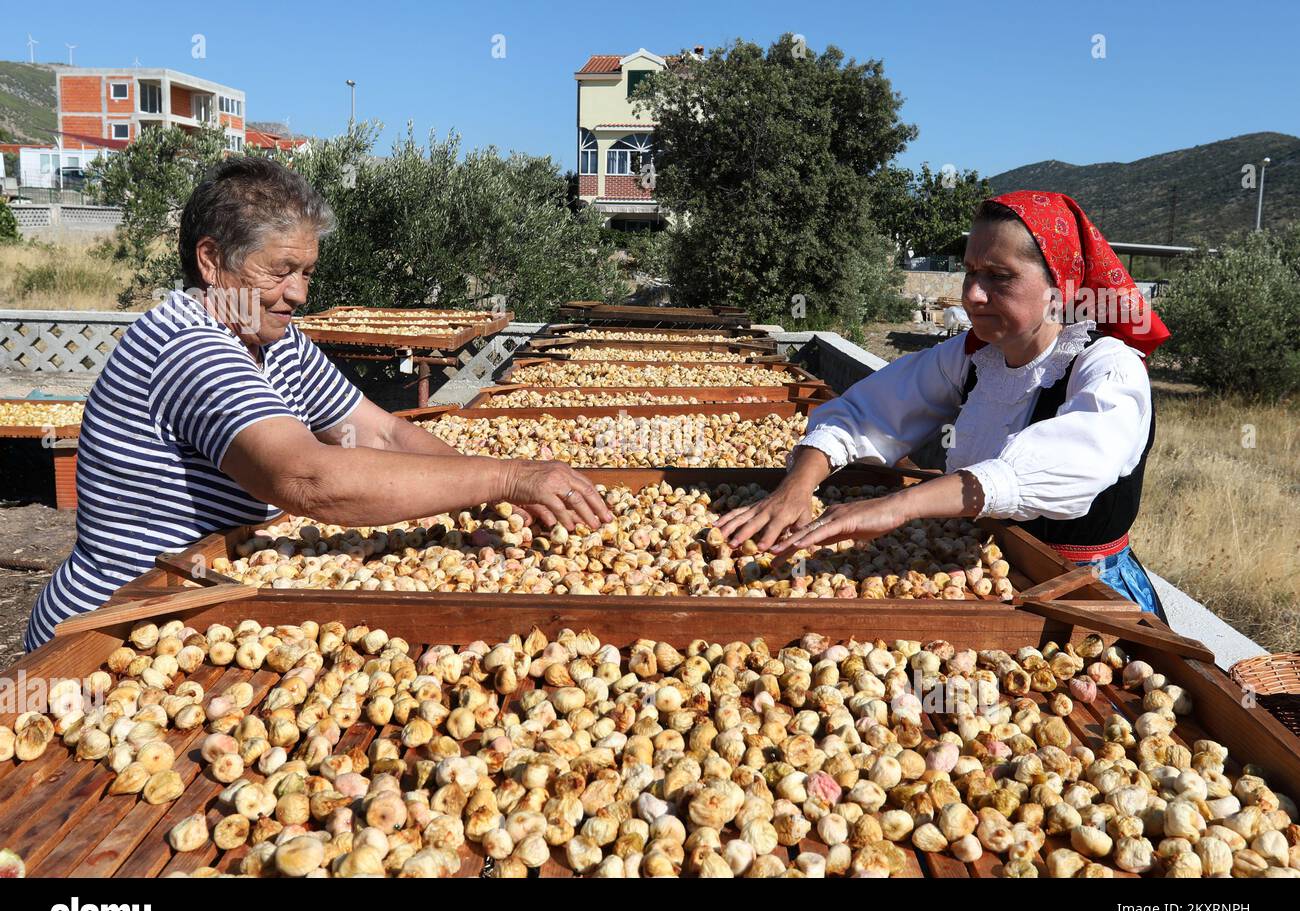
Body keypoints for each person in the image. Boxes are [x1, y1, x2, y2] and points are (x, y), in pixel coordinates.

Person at [23, 157, 610, 651]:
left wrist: (487, 500)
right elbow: (307, 478)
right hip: (116, 625)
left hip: (206, 604)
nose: (300, 293)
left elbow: (382, 435)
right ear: (210, 260)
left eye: (306, 272)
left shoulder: (275, 340)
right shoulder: (188, 344)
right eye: (281, 270)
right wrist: (507, 479)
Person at [718, 191, 1171, 616]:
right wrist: (796, 487)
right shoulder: (976, 357)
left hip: (1085, 594)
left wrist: (900, 506)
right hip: (983, 578)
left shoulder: (1108, 367)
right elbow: (867, 411)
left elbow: (1072, 465)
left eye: (999, 276)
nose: (973, 294)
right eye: (971, 273)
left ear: (1060, 288)